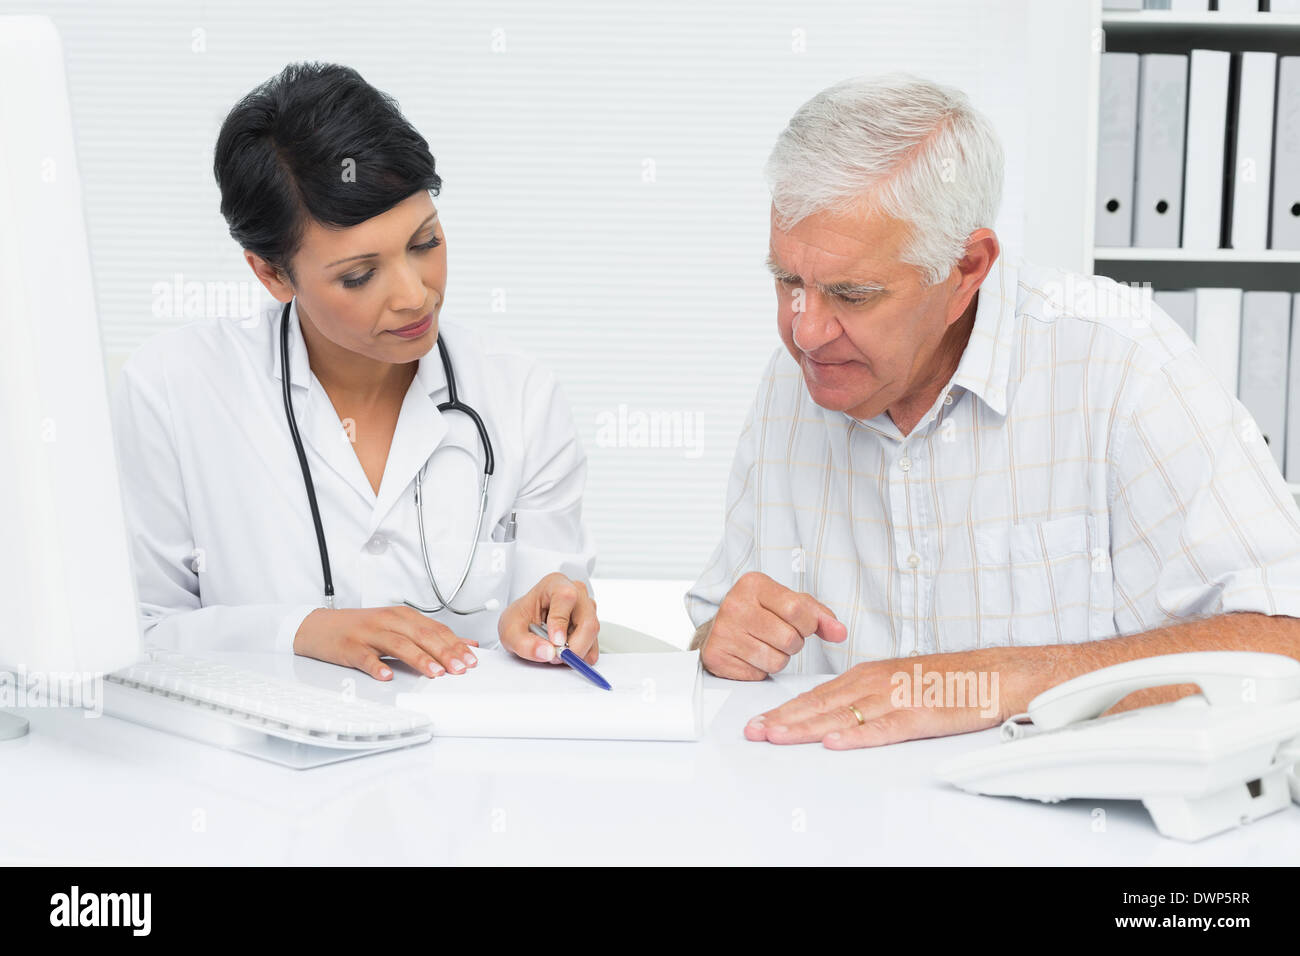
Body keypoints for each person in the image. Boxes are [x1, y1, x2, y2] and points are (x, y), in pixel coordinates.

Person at [685, 72, 1300, 748]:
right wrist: (724, 642)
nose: (805, 330)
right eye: (787, 282)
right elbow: (717, 640)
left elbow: (1284, 642)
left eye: (853, 295)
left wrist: (1005, 679)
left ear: (967, 269)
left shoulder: (1121, 362)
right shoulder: (798, 377)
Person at [111, 62, 599, 682]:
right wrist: (299, 631)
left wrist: (551, 619)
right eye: (359, 275)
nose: (414, 296)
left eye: (425, 242)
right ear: (271, 274)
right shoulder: (172, 389)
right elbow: (134, 633)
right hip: (251, 771)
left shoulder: (521, 394)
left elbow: (551, 612)